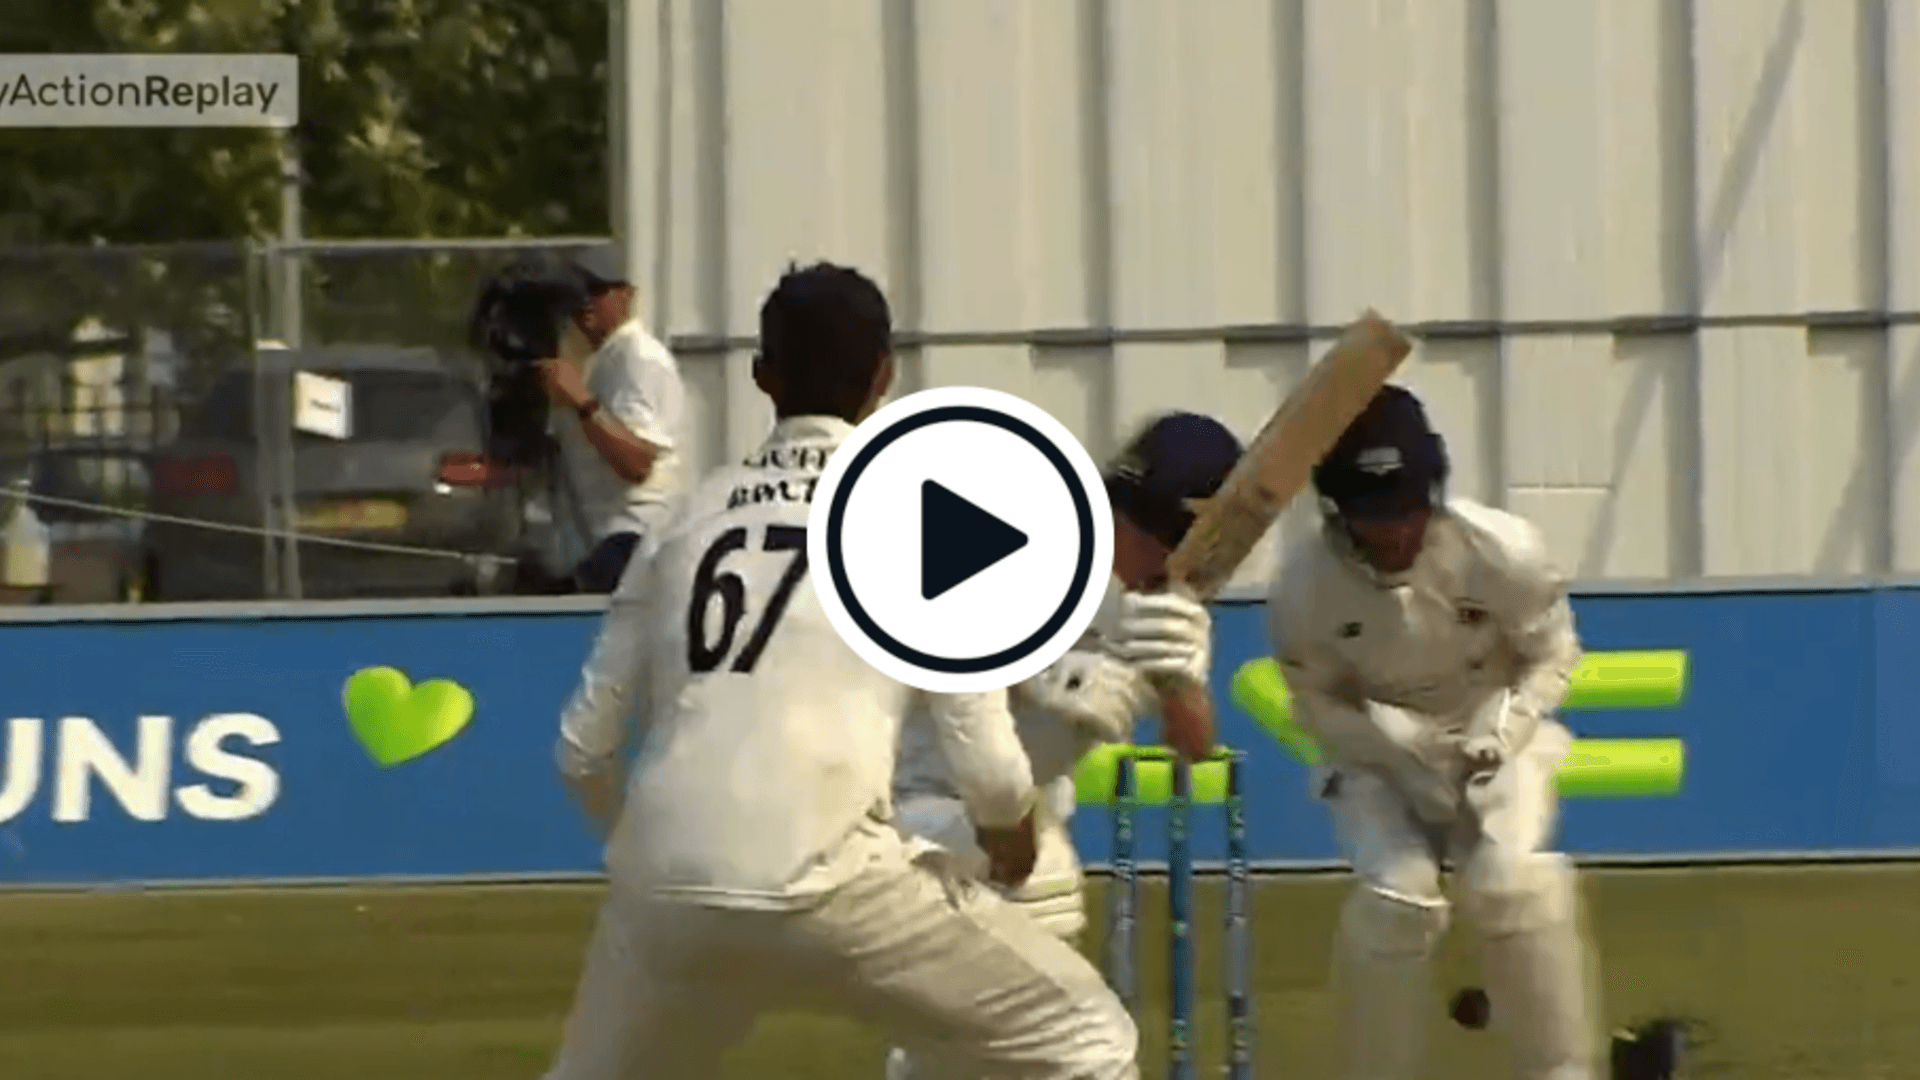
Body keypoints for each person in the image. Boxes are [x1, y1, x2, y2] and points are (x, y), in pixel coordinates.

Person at [541, 261, 1140, 1080]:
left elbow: (582, 751)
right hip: (835, 883)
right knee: (1089, 1042)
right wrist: (1011, 846)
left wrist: (668, 859)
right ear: (886, 376)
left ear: (762, 375)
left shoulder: (681, 521)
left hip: (662, 892)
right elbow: (991, 774)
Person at [885, 411, 1242, 1080]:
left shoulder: (1166, 598)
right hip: (917, 806)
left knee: (986, 1028)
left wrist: (1184, 683)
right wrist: (1049, 673)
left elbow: (1194, 746)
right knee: (1047, 995)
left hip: (1028, 814)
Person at [1267, 384, 1599, 1080]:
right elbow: (1318, 705)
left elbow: (1553, 655)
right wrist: (1395, 745)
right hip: (1379, 757)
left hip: (1493, 731)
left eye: (1409, 508)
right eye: (1373, 514)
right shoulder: (1304, 587)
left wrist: (1502, 728)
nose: (1394, 531)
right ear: (1335, 508)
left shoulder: (1501, 550)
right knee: (1399, 900)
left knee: (1513, 883)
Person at [535, 249, 688, 593]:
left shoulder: (636, 357)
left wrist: (581, 400)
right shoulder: (602, 358)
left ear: (627, 295)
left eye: (598, 290)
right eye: (578, 293)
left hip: (634, 539)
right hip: (602, 537)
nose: (586, 302)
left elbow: (637, 463)